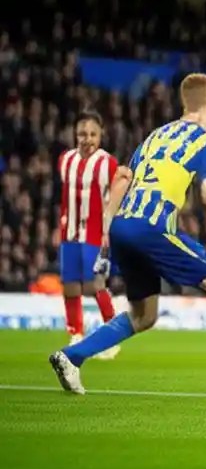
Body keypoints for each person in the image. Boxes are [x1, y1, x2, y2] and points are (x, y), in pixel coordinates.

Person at [48, 74, 206, 398]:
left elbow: (123, 178)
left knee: (144, 316)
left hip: (123, 224)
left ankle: (71, 356)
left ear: (184, 103)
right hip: (151, 226)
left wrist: (108, 228)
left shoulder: (155, 136)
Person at [56, 111, 121, 359]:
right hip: (69, 233)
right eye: (82, 133)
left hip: (96, 234)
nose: (87, 139)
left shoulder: (109, 163)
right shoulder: (65, 160)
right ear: (75, 134)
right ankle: (76, 333)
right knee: (70, 286)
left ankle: (112, 336)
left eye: (93, 134)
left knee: (96, 284)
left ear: (101, 135)